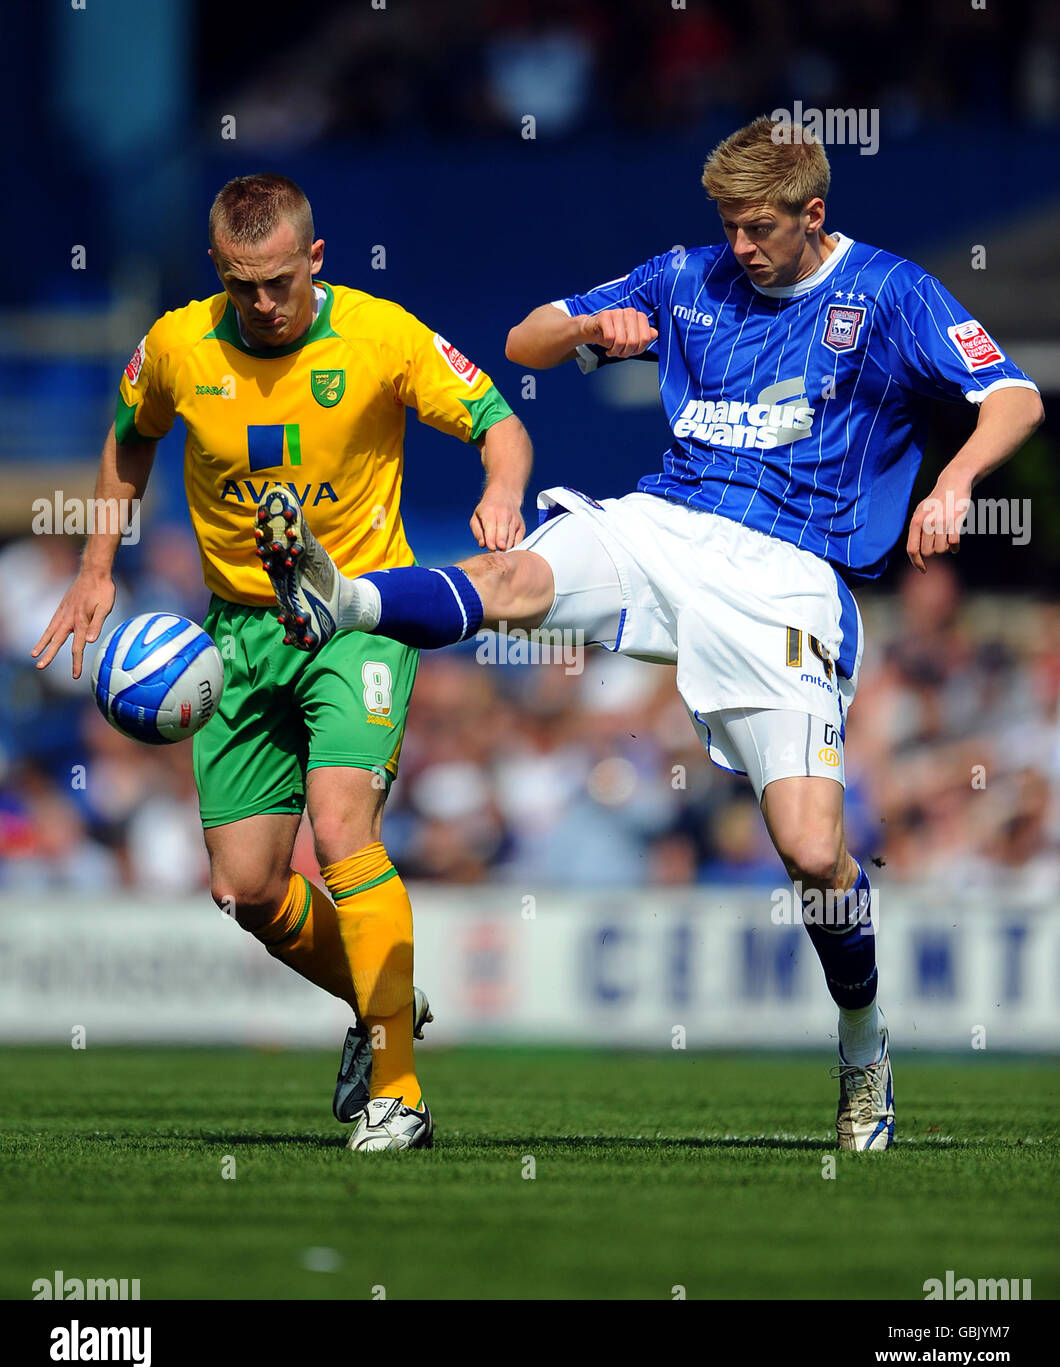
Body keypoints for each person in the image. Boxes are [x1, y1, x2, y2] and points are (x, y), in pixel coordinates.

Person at [255, 119, 1043, 1150]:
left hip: (790, 576)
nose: (742, 246)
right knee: (516, 577)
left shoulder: (888, 292)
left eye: (760, 226)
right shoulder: (686, 274)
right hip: (664, 522)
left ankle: (861, 1044)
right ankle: (339, 598)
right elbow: (525, 339)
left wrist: (953, 481)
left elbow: (1012, 395)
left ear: (814, 213)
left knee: (812, 852)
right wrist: (590, 332)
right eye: (729, 224)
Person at [32, 173, 532, 1152]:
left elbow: (499, 422)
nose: (263, 304)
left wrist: (502, 492)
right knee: (246, 886)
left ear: (315, 259)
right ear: (217, 270)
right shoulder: (177, 346)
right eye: (242, 284)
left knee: (343, 821)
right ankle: (381, 998)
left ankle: (400, 1090)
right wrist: (96, 566)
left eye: (279, 282)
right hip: (234, 637)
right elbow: (128, 440)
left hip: (356, 614)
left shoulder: (382, 336)